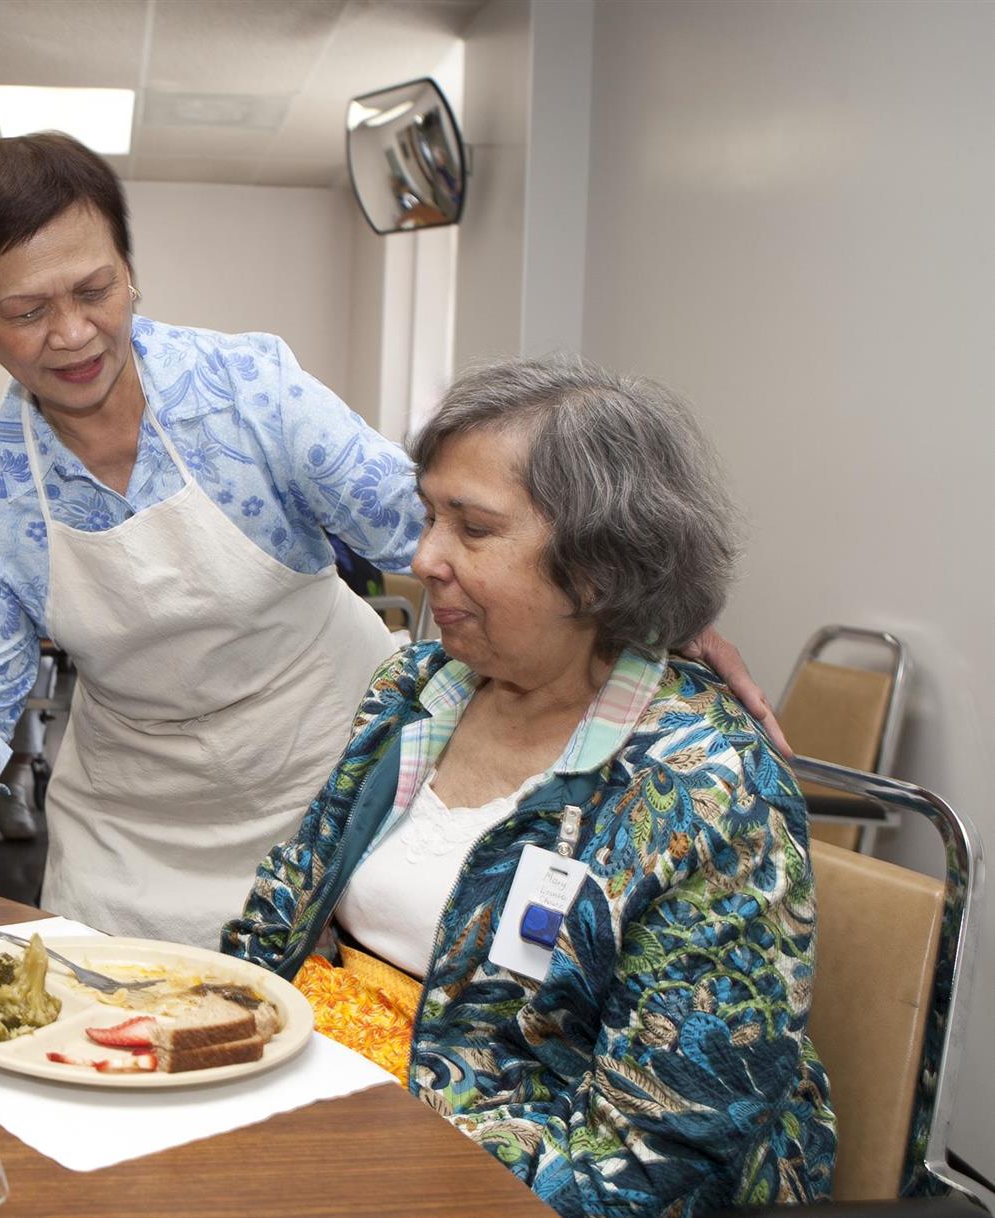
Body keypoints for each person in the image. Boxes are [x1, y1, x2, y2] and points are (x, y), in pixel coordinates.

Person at [0, 133, 790, 947]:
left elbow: (422, 529)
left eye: (94, 289)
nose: (72, 333)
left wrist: (642, 609)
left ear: (131, 272)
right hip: (134, 826)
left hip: (331, 769)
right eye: (24, 312)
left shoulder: (247, 391)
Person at [224, 357, 834, 1216]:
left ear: (596, 570)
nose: (425, 556)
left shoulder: (705, 791)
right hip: (335, 1111)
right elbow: (280, 911)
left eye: (471, 530)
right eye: (430, 516)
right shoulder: (414, 690)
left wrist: (370, 1173)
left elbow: (660, 1151)